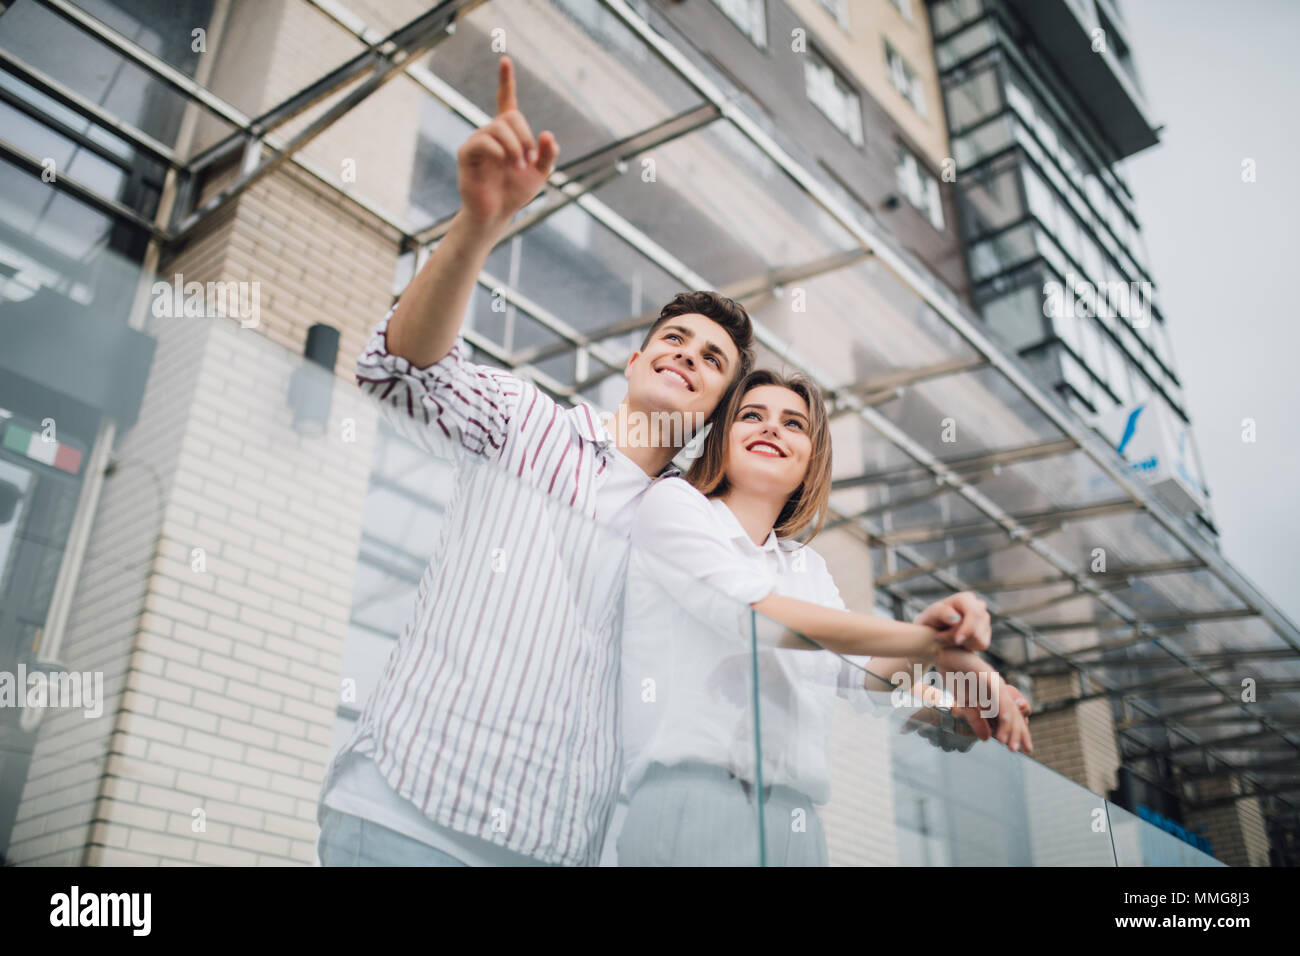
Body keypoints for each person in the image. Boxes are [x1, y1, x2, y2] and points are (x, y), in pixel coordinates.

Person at [318, 55, 1000, 867]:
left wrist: (937, 695)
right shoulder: (528, 425)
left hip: (547, 847)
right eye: (672, 340)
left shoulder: (702, 528)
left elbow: (814, 666)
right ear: (635, 362)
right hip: (407, 810)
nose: (687, 355)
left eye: (713, 360)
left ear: (716, 411)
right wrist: (477, 227)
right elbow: (400, 370)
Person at [617, 369, 1032, 866]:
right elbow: (751, 615)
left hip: (798, 824)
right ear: (720, 438)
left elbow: (862, 675)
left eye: (794, 424)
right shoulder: (674, 504)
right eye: (752, 415)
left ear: (811, 460)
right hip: (693, 802)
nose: (772, 428)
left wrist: (951, 707)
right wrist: (937, 647)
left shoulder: (805, 566)